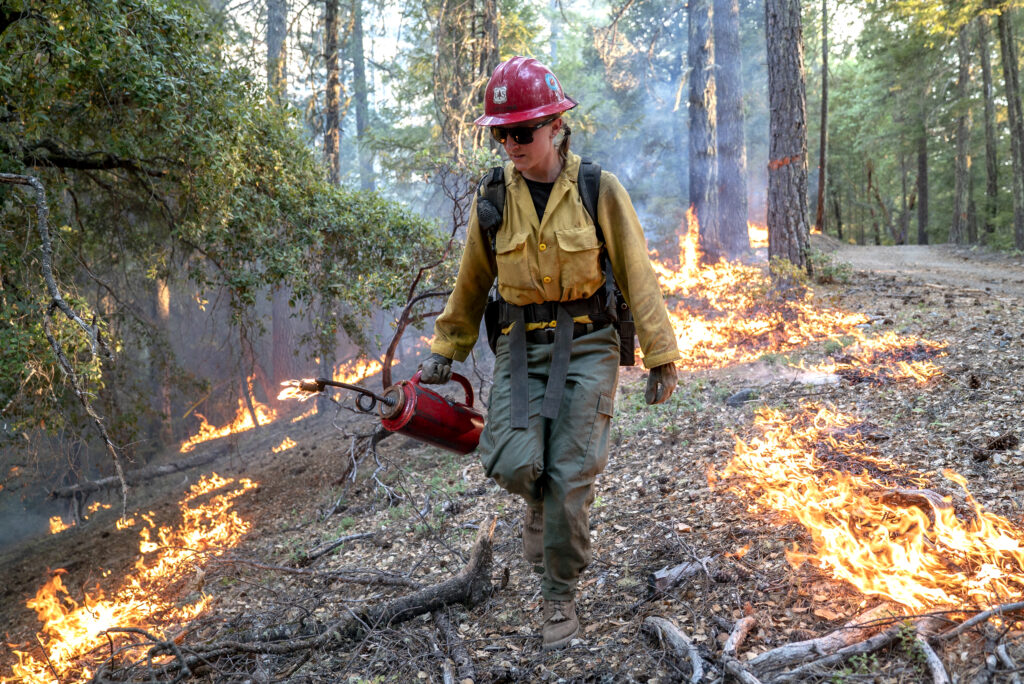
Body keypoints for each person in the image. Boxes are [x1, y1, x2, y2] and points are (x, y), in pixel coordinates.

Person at [419, 56, 680, 650]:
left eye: (523, 131)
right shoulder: (492, 199)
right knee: (517, 465)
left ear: (556, 126)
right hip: (518, 348)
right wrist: (447, 348)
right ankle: (537, 507)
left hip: (588, 343)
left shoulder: (598, 189)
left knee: (570, 475)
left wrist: (661, 353)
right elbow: (472, 279)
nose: (511, 144)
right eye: (502, 133)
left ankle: (559, 597)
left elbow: (638, 273)